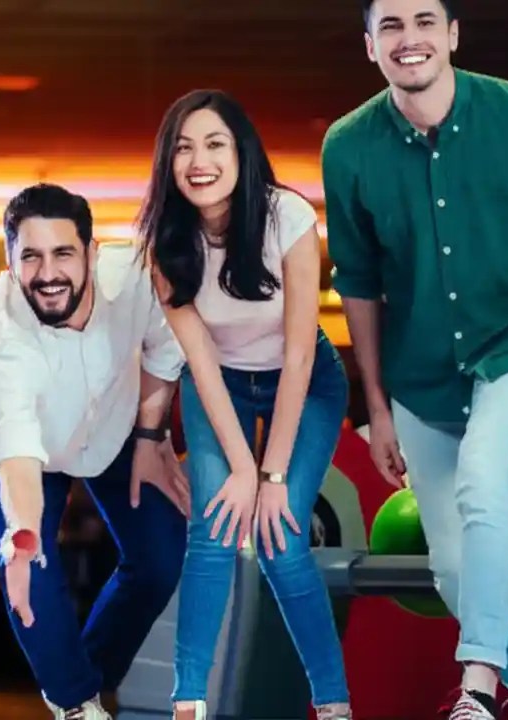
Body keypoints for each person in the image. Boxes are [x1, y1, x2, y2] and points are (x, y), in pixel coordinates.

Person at [322, 1, 508, 718]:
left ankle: (476, 690)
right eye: (390, 26)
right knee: (452, 566)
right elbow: (357, 284)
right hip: (419, 370)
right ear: (369, 46)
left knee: (485, 481)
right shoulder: (348, 145)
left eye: (425, 21)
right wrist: (379, 408)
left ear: (453, 35)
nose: (409, 38)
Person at [137, 89, 353, 720]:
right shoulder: (166, 242)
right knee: (211, 533)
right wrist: (239, 467)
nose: (198, 161)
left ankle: (334, 704)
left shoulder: (288, 215)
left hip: (304, 382)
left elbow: (301, 353)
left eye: (214, 144)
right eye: (183, 148)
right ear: (168, 165)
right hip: (221, 386)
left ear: (241, 152)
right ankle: (189, 702)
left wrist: (272, 475)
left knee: (281, 538)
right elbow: (199, 363)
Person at [0, 183, 190, 720]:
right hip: (36, 454)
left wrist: (150, 438)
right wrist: (20, 537)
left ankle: (89, 679)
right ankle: (75, 704)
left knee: (162, 558)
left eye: (64, 253)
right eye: (31, 257)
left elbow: (166, 353)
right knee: (30, 563)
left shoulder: (136, 276)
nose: (48, 274)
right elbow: (18, 452)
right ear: (9, 262)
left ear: (92, 252)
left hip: (116, 433)